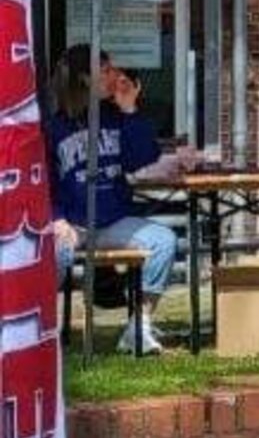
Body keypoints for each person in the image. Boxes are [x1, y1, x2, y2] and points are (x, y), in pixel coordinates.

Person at [44, 45, 179, 353]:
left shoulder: (116, 117)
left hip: (113, 221)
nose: (114, 75)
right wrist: (56, 219)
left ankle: (138, 329)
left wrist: (130, 108)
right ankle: (41, 331)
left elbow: (143, 157)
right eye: (105, 70)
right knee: (53, 253)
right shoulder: (54, 128)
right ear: (84, 79)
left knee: (164, 241)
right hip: (73, 223)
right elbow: (45, 184)